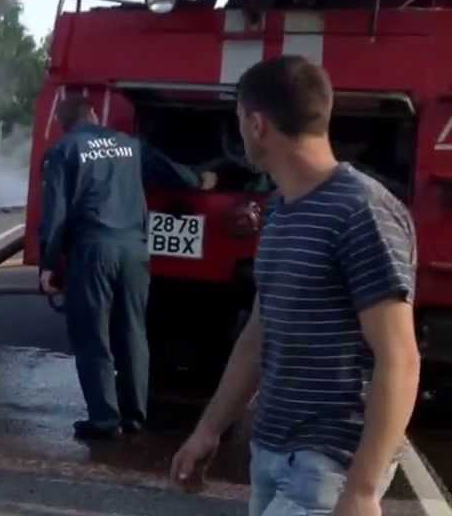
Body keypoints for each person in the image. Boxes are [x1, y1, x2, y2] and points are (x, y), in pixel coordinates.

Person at [169, 55, 419, 516]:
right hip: (273, 452)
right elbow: (259, 335)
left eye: (240, 120)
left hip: (327, 466)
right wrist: (209, 428)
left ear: (257, 124)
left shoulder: (361, 212)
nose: (240, 132)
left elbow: (399, 358)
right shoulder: (283, 209)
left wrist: (361, 491)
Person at [38, 95, 217, 440]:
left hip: (94, 250)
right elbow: (174, 173)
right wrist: (201, 180)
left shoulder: (64, 151)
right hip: (135, 250)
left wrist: (48, 264)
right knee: (133, 331)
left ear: (65, 123)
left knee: (93, 335)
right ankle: (134, 415)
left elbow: (56, 213)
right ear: (92, 114)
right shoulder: (128, 145)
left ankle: (105, 420)